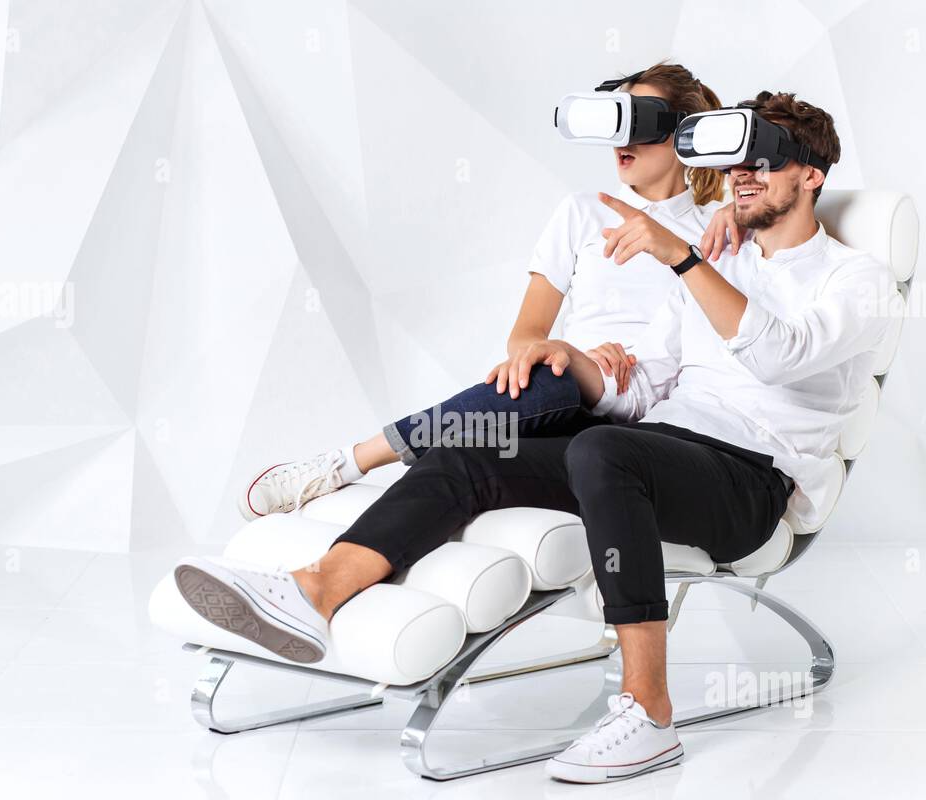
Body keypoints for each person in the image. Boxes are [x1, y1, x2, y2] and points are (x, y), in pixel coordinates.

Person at [176, 90, 902, 784]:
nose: (743, 179)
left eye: (763, 162)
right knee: (474, 450)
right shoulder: (724, 259)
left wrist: (684, 260)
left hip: (749, 483)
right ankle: (315, 590)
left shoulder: (855, 279)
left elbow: (780, 354)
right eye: (735, 163)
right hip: (659, 449)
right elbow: (648, 387)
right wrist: (578, 364)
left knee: (603, 450)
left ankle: (650, 712)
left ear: (811, 176)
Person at [237, 63, 726, 519]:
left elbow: (721, 346)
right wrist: (569, 356)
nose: (622, 141)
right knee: (540, 387)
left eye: (637, 122)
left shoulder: (716, 235)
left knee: (538, 396)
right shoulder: (582, 213)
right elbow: (525, 336)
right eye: (614, 122)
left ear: (681, 132)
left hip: (651, 421)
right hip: (565, 396)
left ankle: (351, 462)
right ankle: (349, 476)